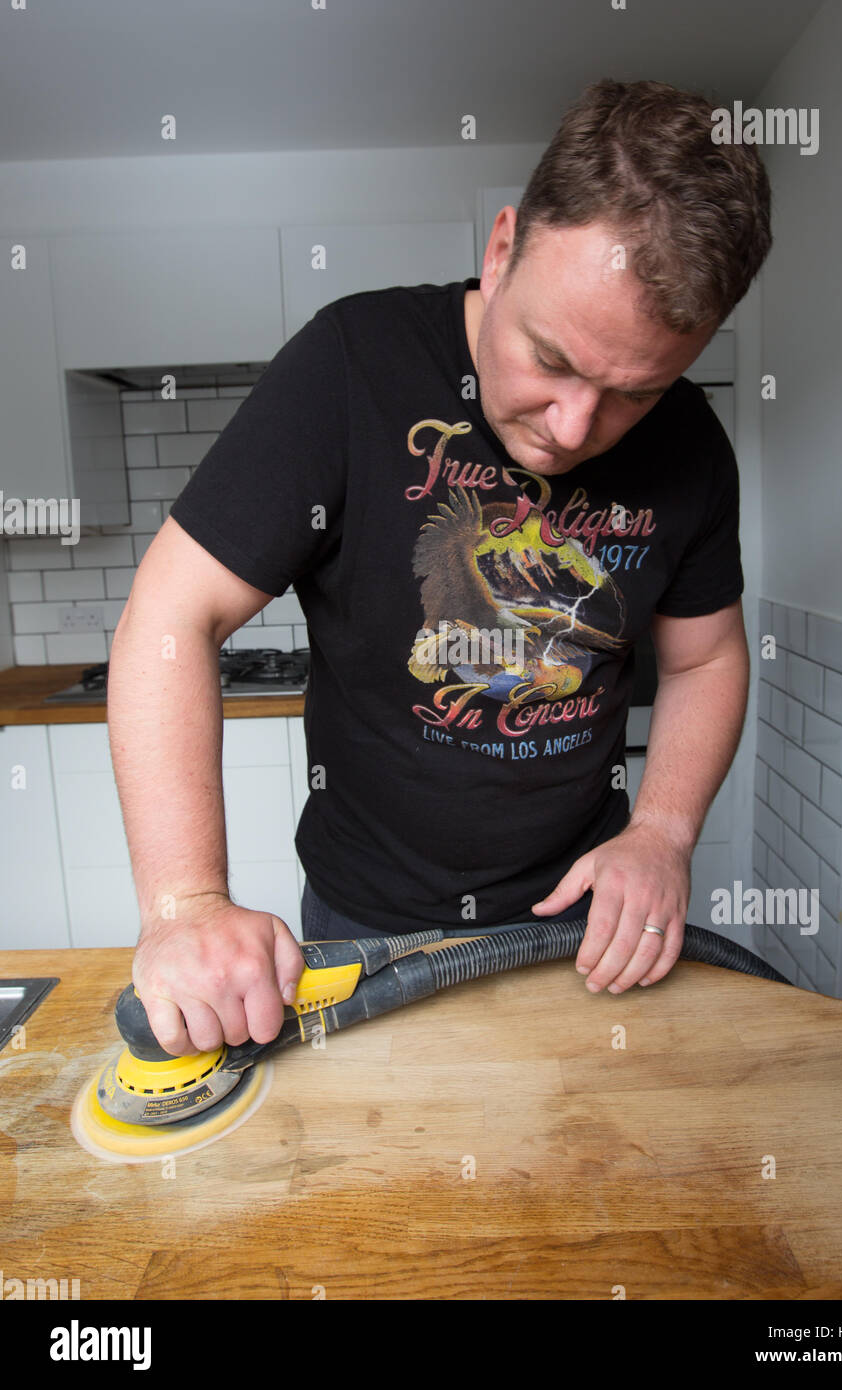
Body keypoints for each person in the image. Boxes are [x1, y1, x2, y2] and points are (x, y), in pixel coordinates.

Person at [107, 78, 772, 1058]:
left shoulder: (692, 447)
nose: (574, 428)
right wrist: (184, 902)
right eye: (550, 358)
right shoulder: (350, 365)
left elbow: (707, 657)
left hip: (587, 920)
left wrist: (664, 833)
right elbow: (172, 610)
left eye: (633, 393)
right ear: (501, 249)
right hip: (366, 922)